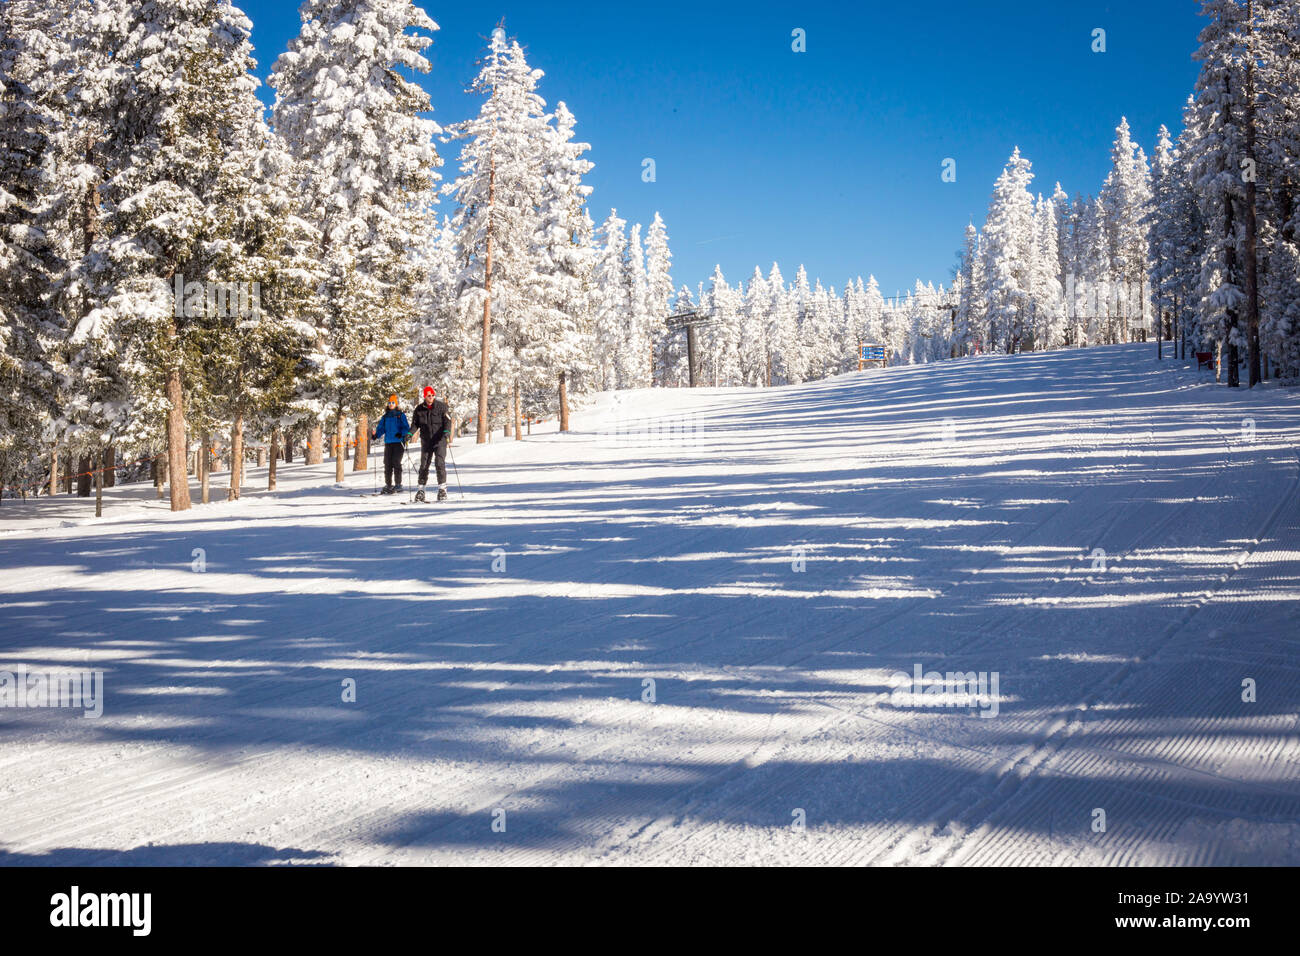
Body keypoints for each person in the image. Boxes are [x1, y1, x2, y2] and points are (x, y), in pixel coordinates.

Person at [409, 385, 452, 501]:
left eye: (433, 395)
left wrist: (447, 433)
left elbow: (448, 422)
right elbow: (415, 424)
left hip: (440, 440)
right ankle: (421, 491)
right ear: (425, 396)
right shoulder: (419, 409)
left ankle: (442, 490)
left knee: (439, 463)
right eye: (429, 395)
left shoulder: (442, 407)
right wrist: (409, 434)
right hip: (426, 441)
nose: (431, 397)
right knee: (424, 465)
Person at [371, 394, 411, 494]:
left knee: (396, 462)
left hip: (399, 442)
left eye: (393, 402)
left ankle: (398, 484)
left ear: (396, 404)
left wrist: (401, 434)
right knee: (387, 463)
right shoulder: (385, 417)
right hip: (388, 442)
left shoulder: (400, 415)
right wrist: (376, 435)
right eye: (389, 403)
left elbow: (406, 427)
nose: (391, 404)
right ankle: (388, 485)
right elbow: (381, 429)